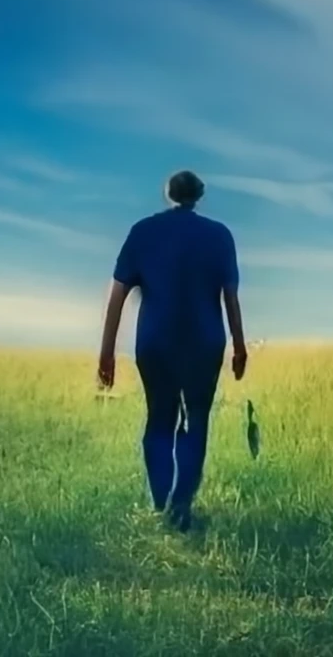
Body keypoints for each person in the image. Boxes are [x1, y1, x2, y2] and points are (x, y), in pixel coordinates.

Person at [97, 169, 247, 531]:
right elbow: (230, 297)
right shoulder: (219, 236)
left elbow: (117, 296)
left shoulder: (142, 232)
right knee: (196, 420)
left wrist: (106, 353)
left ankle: (162, 501)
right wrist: (240, 346)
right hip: (205, 342)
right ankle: (181, 506)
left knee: (159, 417)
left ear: (168, 194)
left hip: (155, 342)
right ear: (200, 195)